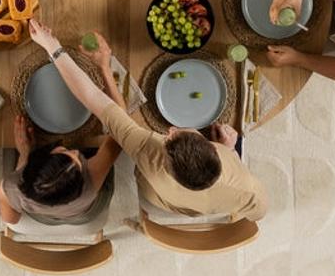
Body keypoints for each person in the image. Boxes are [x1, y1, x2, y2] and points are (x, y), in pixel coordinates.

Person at [28, 20, 267, 222]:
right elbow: (259, 214)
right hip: (188, 205)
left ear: (163, 155)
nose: (171, 128)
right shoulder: (247, 188)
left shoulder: (149, 152)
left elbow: (94, 98)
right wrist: (230, 151)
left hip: (157, 193)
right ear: (213, 152)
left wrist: (53, 47)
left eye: (171, 135)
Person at [0, 31, 122, 226]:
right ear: (82, 181)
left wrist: (23, 156)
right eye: (77, 159)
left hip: (45, 216)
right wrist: (105, 68)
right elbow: (120, 127)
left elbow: (11, 219)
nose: (74, 150)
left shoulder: (11, 187)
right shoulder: (90, 184)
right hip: (84, 214)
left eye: (65, 152)